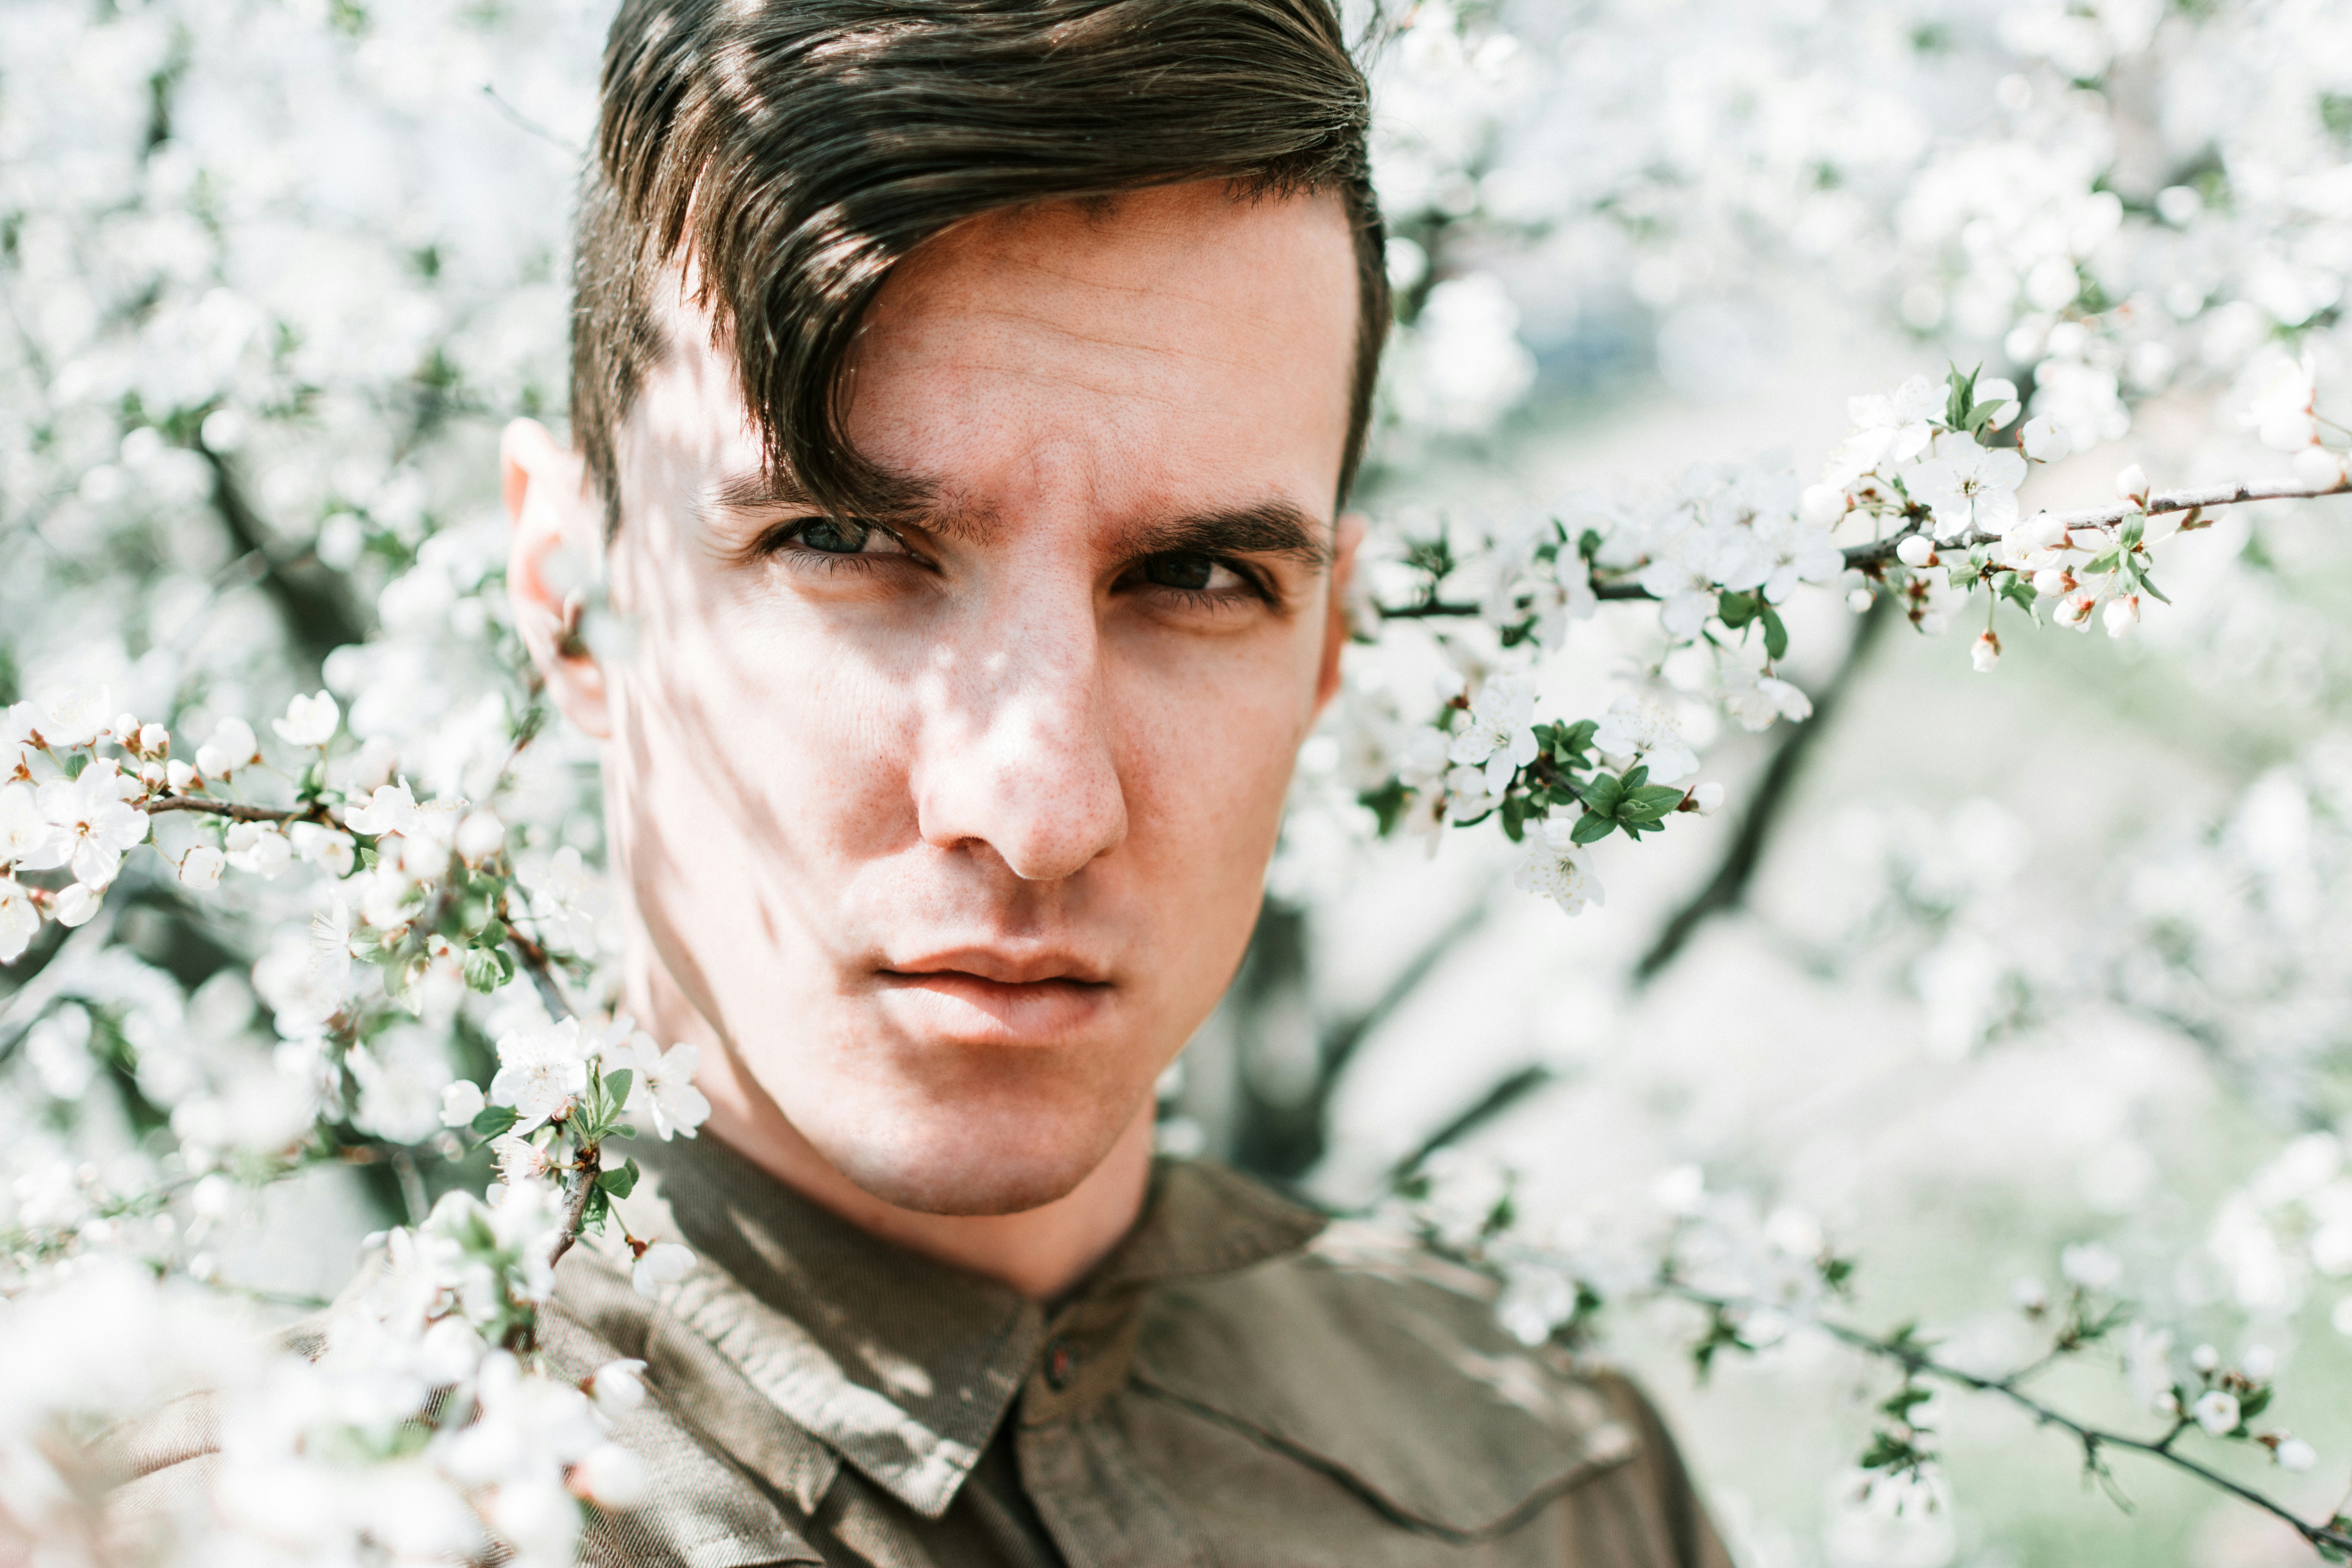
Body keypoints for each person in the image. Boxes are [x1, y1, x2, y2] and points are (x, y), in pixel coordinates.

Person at [148, 1, 1732, 1562]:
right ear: (570, 598)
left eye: (1197, 576)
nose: (1039, 807)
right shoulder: (264, 1533)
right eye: (843, 542)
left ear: (1328, 643)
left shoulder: (1554, 1472)